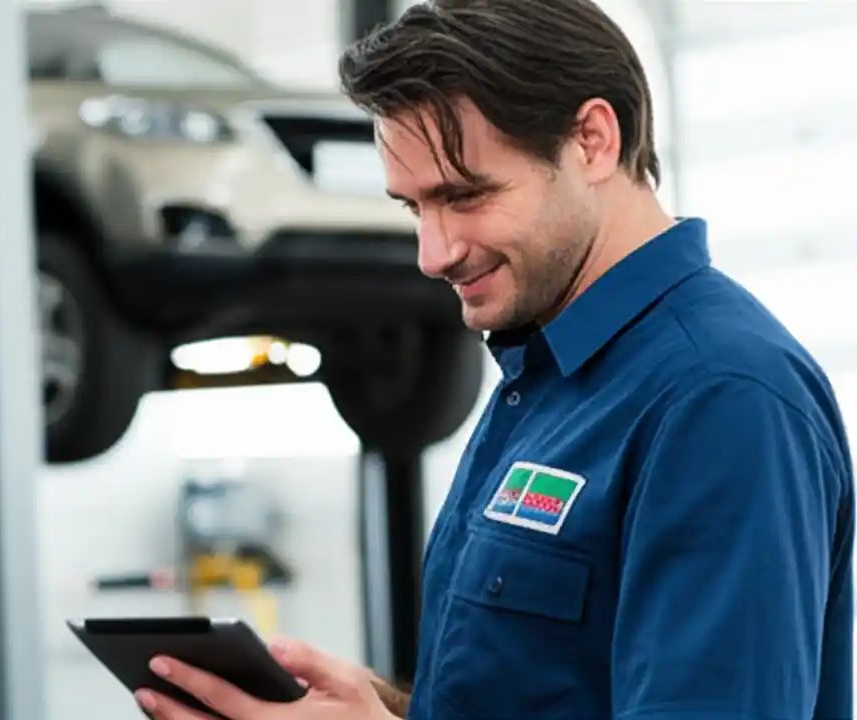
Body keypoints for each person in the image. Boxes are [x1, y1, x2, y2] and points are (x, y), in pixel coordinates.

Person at [134, 1, 854, 719]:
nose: (433, 253)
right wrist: (385, 707)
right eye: (415, 207)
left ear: (592, 141)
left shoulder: (721, 401)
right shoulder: (544, 374)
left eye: (465, 195)